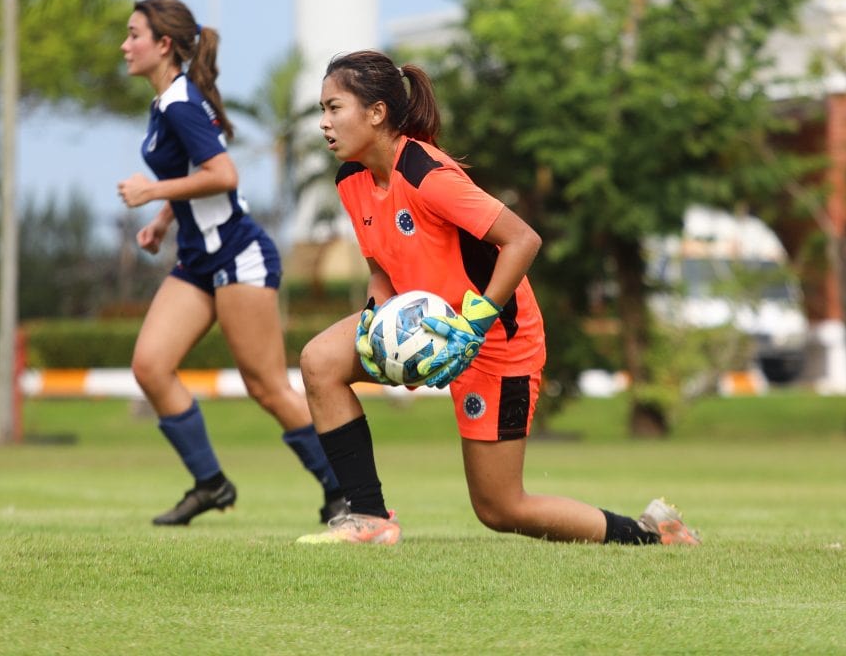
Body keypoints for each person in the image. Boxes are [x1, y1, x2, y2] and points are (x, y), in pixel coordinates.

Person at [294, 50, 700, 546]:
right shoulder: (351, 180)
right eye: (322, 110)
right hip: (430, 329)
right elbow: (382, 265)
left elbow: (523, 240)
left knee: (500, 507)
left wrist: (474, 324)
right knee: (319, 361)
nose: (323, 123)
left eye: (334, 108)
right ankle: (369, 519)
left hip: (499, 341)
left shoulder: (427, 175)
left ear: (376, 113)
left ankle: (653, 535)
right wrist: (377, 320)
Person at [117, 0, 347, 526]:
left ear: (164, 45)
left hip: (238, 256)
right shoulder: (167, 103)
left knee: (266, 386)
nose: (125, 46)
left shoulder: (177, 104)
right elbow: (198, 177)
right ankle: (211, 484)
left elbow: (224, 175)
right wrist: (166, 219)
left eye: (134, 35)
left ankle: (345, 491)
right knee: (150, 367)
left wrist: (153, 193)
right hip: (198, 261)